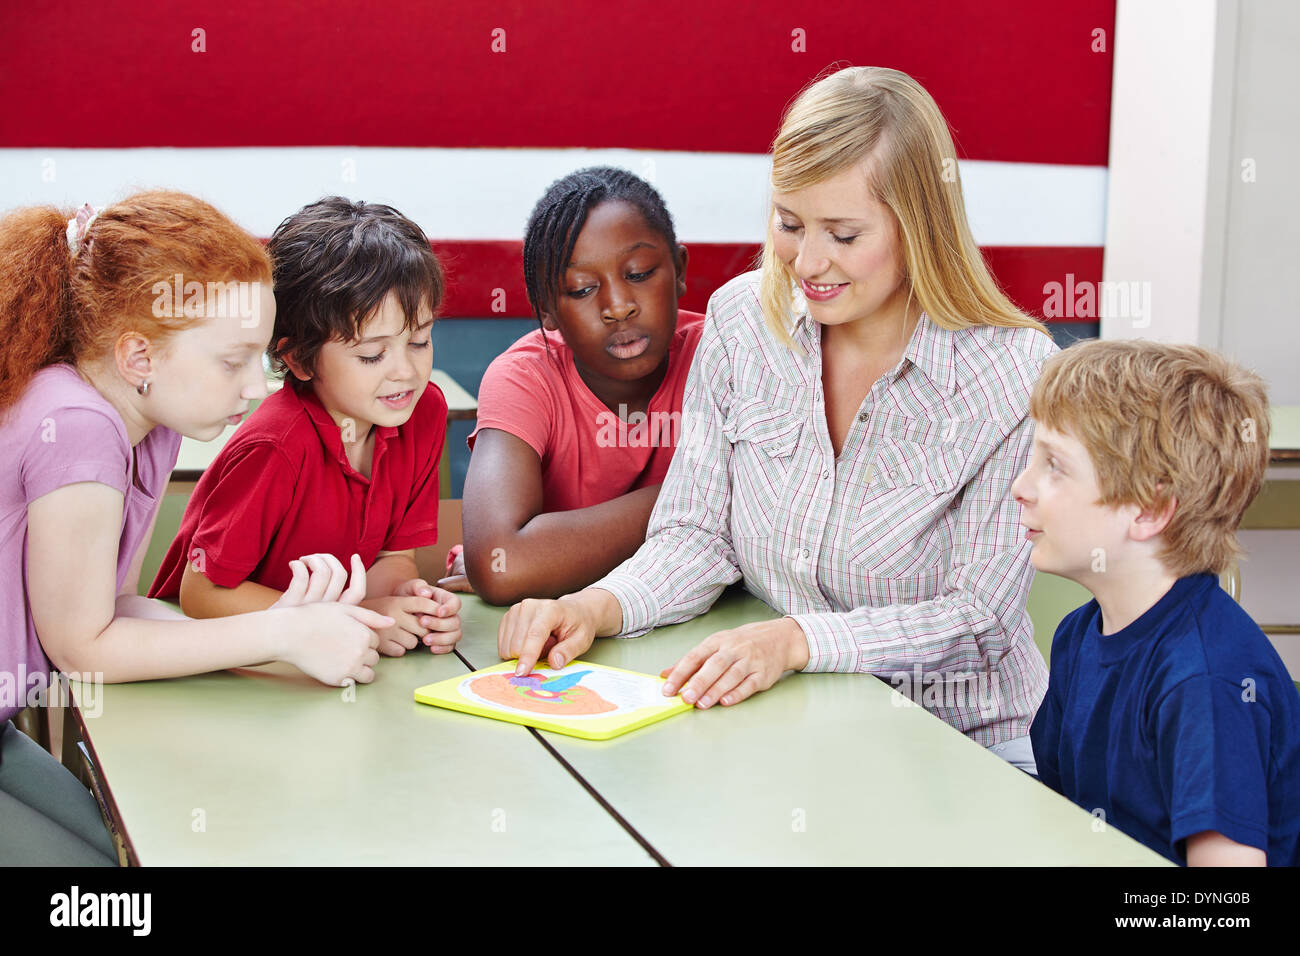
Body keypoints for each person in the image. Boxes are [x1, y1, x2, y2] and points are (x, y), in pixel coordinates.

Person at [495, 66, 1057, 770]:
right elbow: (698, 535)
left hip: (966, 750)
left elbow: (979, 620)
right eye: (790, 224)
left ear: (918, 228)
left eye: (843, 235)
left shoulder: (1011, 372)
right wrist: (595, 607)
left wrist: (796, 641)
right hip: (793, 734)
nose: (808, 261)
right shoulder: (740, 323)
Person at [0, 191, 392, 865]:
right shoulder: (80, 425)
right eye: (232, 361)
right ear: (139, 357)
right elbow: (83, 650)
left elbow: (111, 609)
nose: (257, 387)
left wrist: (280, 625)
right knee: (94, 888)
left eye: (260, 359)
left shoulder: (149, 424)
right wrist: (277, 636)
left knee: (114, 854)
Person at [1017, 340, 1300, 866]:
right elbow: (1059, 822)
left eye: (1054, 465)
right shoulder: (1078, 636)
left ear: (1148, 509)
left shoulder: (1205, 682)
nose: (1020, 487)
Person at [149, 197, 462, 658]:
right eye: (371, 355)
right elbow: (201, 596)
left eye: (419, 341)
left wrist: (404, 603)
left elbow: (391, 558)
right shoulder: (276, 446)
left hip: (320, 660)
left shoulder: (423, 413)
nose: (405, 372)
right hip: (211, 657)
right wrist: (347, 623)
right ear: (299, 359)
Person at [446, 167, 703, 604]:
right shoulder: (525, 378)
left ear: (678, 271)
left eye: (639, 274)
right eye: (582, 290)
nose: (618, 307)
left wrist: (552, 558)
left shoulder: (722, 355)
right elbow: (500, 566)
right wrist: (704, 499)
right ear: (546, 309)